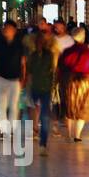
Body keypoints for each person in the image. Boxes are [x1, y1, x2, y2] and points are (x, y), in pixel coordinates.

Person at [58, 25, 89, 141]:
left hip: (69, 81)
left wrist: (59, 81)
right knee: (82, 109)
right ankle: (77, 135)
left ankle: (70, 134)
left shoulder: (67, 52)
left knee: (69, 109)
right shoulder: (88, 52)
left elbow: (60, 67)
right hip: (85, 83)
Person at [0, 20, 25, 131]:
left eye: (9, 28)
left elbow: (23, 63)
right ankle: (4, 129)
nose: (6, 30)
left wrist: (23, 78)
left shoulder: (19, 44)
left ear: (14, 30)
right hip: (0, 78)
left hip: (15, 79)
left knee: (13, 106)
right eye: (5, 28)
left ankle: (11, 128)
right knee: (1, 106)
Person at [25, 22, 58, 155]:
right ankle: (35, 130)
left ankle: (43, 142)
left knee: (44, 116)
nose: (39, 43)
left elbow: (52, 70)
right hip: (35, 88)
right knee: (34, 111)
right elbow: (29, 71)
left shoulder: (49, 55)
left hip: (45, 88)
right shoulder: (33, 56)